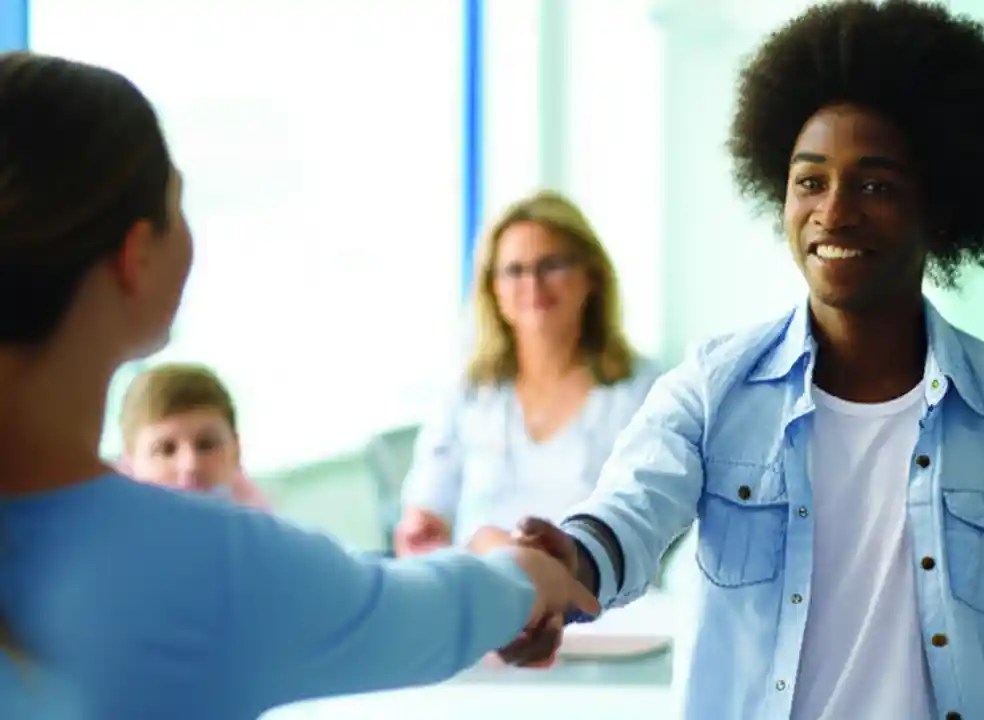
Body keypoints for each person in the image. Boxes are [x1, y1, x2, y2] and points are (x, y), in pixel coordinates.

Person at [509, 2, 984, 718]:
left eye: (876, 185)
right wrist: (567, 562)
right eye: (810, 181)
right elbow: (627, 515)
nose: (835, 211)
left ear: (939, 206)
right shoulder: (712, 387)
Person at [0, 51, 597, 720]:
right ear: (136, 256)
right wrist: (525, 576)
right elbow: (418, 613)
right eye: (178, 203)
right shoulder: (206, 565)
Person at [395, 191, 657, 556]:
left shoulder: (640, 391)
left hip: (591, 601)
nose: (532, 284)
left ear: (591, 276)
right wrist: (422, 530)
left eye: (551, 265)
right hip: (481, 589)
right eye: (514, 270)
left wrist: (524, 558)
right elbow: (426, 509)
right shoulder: (469, 390)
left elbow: (644, 527)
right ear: (493, 288)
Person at [117, 362, 269, 509]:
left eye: (207, 445)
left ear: (236, 451)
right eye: (166, 449)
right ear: (130, 463)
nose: (190, 465)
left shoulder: (264, 531)